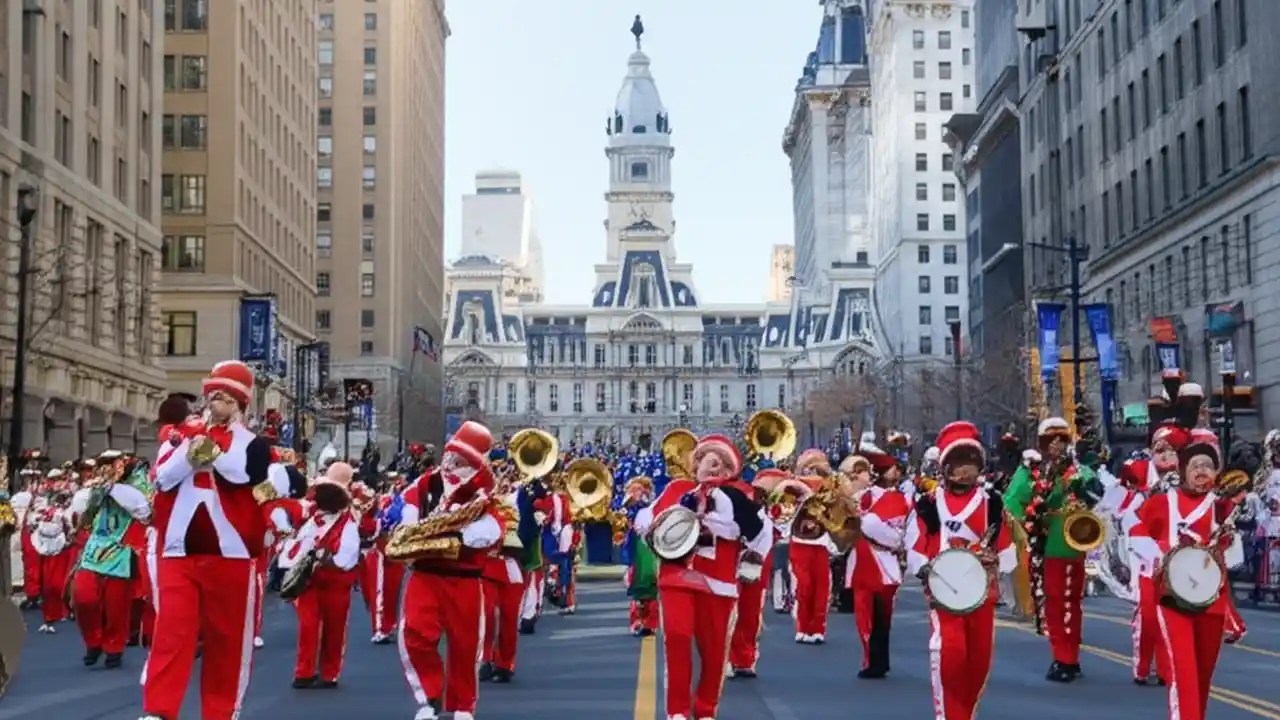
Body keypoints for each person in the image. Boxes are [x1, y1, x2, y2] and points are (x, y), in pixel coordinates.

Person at [139, 360, 274, 720]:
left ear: (241, 405)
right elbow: (161, 478)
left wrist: (211, 453)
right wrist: (189, 452)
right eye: (213, 396)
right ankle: (158, 710)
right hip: (179, 550)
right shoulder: (179, 435)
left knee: (227, 641)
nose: (216, 404)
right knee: (171, 633)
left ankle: (220, 711)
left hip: (230, 553)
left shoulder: (253, 444)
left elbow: (245, 475)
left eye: (226, 399)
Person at [633, 433, 770, 720]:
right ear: (696, 465)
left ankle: (705, 709)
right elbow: (644, 519)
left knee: (714, 651)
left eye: (723, 465)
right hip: (677, 577)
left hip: (717, 583)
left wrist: (718, 526)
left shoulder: (738, 496)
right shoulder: (676, 490)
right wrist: (666, 522)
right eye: (711, 461)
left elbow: (761, 532)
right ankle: (678, 711)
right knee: (678, 638)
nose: (715, 468)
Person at [906, 421, 1016, 720]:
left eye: (971, 462)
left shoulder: (991, 502)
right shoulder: (930, 504)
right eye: (958, 463)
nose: (965, 470)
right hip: (944, 594)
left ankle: (963, 714)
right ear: (945, 468)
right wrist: (926, 570)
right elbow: (915, 549)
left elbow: (1007, 549)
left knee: (978, 663)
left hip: (982, 593)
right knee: (949, 656)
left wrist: (998, 562)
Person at [398, 421, 505, 720]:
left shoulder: (482, 495)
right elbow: (406, 511)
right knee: (414, 635)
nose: (452, 465)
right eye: (451, 457)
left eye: (462, 461)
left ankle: (462, 706)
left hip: (465, 579)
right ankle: (430, 696)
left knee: (466, 646)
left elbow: (494, 528)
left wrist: (459, 533)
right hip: (425, 573)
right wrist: (412, 530)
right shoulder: (424, 484)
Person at [1128, 429, 1233, 720]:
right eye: (1195, 465)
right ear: (1184, 471)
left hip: (1211, 601)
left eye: (1208, 466)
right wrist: (1161, 557)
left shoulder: (1222, 507)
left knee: (1202, 677)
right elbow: (1135, 532)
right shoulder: (1164, 501)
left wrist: (1230, 536)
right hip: (1172, 597)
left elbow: (1233, 559)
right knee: (1183, 673)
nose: (1201, 471)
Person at [1004, 417, 1096, 682]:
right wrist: (1028, 529)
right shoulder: (1033, 469)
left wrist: (1080, 478)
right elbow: (1012, 501)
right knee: (1052, 602)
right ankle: (1063, 654)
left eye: (1062, 440)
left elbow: (1094, 490)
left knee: (1068, 600)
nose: (1057, 445)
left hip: (1070, 542)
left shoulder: (1075, 468)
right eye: (1050, 440)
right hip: (1046, 541)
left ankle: (1067, 658)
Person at [280, 462, 361, 689]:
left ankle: (329, 672)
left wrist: (328, 558)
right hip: (310, 582)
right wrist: (302, 560)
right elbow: (293, 548)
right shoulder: (310, 519)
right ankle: (303, 672)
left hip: (336, 582)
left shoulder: (349, 521)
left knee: (335, 628)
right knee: (308, 624)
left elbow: (348, 555)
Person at [70, 451, 153, 669]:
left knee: (116, 606)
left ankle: (114, 648)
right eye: (103, 464)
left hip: (120, 550)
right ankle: (93, 641)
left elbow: (144, 511)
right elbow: (82, 512)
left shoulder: (136, 486)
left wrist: (113, 488)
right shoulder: (97, 487)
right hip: (94, 548)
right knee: (83, 597)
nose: (106, 469)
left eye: (111, 464)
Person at [847, 446, 910, 679]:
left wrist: (872, 525)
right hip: (865, 559)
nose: (897, 473)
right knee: (865, 615)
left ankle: (877, 660)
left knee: (882, 616)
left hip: (886, 562)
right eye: (894, 469)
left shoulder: (899, 498)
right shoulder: (863, 496)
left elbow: (901, 532)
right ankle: (872, 659)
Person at [479, 478, 525, 684]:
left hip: (509, 568)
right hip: (485, 567)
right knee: (486, 616)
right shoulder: (476, 511)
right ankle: (484, 659)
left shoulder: (510, 508)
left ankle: (505, 664)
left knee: (509, 618)